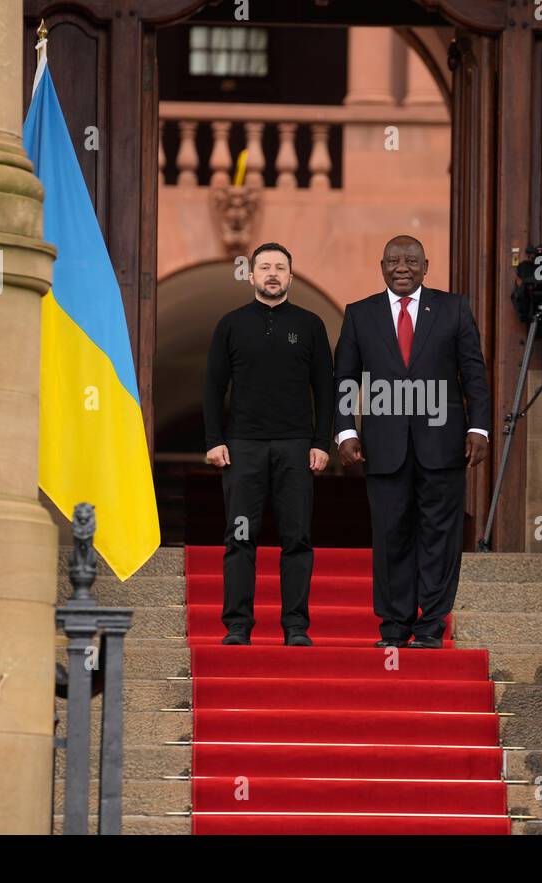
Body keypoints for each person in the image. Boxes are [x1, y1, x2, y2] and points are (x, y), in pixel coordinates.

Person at [333, 235, 491, 648]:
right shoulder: (360, 314)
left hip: (444, 444)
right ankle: (394, 627)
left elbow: (473, 373)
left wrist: (480, 428)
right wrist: (346, 430)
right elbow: (345, 378)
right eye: (394, 261)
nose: (402, 267)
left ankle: (430, 627)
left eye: (411, 260)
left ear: (426, 266)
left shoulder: (454, 308)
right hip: (383, 447)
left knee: (440, 536)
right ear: (381, 266)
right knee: (391, 536)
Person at [203, 242, 334, 646]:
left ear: (291, 277)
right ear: (251, 274)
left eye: (280, 267)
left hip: (296, 447)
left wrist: (321, 442)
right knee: (240, 537)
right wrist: (214, 440)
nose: (272, 273)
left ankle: (296, 627)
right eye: (265, 267)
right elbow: (213, 385)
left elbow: (325, 389)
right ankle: (238, 626)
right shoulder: (231, 324)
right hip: (243, 447)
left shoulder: (311, 324)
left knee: (297, 538)